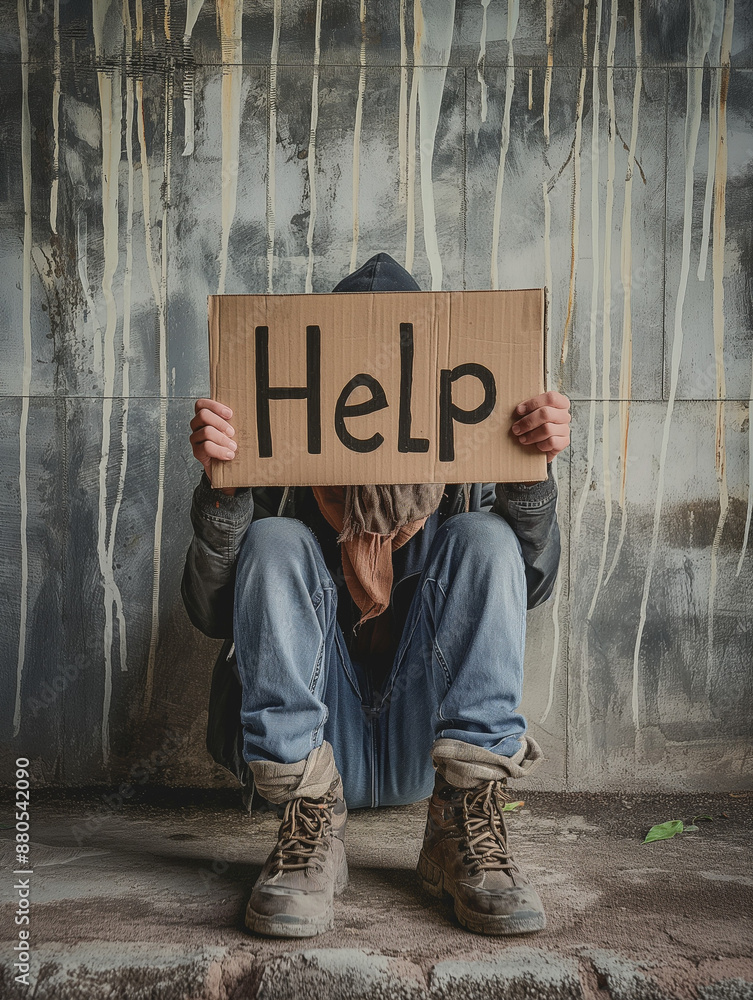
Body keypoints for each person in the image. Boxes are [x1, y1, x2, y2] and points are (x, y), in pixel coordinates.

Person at [182, 253, 571, 939]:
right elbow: (210, 614)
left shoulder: (462, 469)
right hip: (307, 760)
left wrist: (528, 481)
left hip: (431, 756)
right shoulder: (280, 470)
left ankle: (460, 827)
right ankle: (309, 837)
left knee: (485, 537)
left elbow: (529, 586)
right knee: (272, 540)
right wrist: (227, 493)